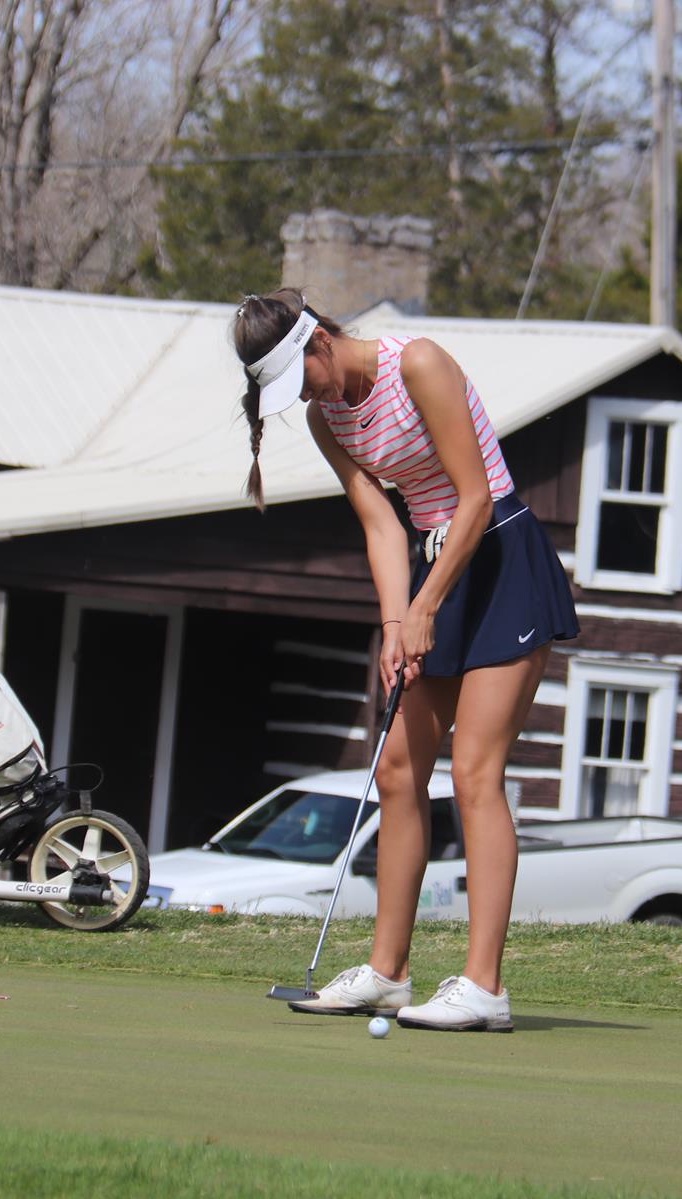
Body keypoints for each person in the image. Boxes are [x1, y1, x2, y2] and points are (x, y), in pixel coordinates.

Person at [231, 289, 578, 1032]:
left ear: (319, 340)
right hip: (430, 568)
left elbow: (476, 497)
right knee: (396, 770)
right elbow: (381, 522)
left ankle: (484, 986)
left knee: (478, 772)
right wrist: (396, 620)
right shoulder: (330, 419)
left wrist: (424, 607)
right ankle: (388, 972)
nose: (307, 398)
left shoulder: (416, 363)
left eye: (305, 380)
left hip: (500, 561)